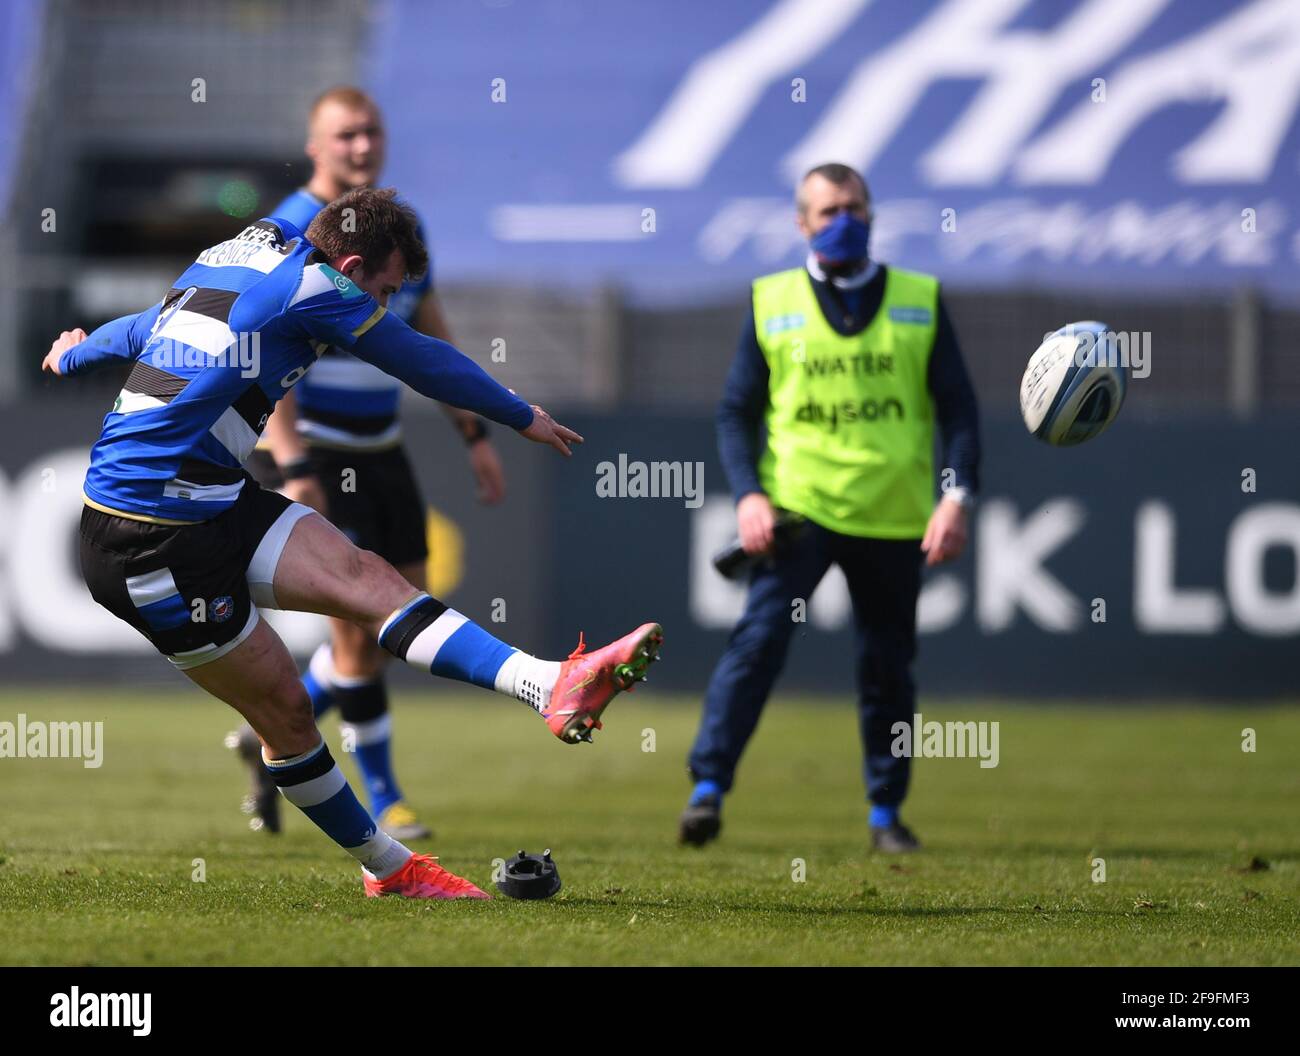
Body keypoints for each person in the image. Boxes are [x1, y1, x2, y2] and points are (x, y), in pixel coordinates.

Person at [45, 187, 662, 899]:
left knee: (367, 579)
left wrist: (77, 352)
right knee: (285, 713)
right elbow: (418, 357)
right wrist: (519, 413)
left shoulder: (240, 252)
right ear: (355, 264)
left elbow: (149, 324)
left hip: (211, 496)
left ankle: (548, 684)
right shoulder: (321, 287)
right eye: (387, 289)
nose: (385, 305)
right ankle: (390, 868)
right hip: (143, 536)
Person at [679, 163, 979, 853]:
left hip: (894, 513)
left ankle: (885, 814)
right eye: (827, 210)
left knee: (887, 668)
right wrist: (749, 494)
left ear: (871, 213)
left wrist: (956, 495)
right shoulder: (772, 300)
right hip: (798, 511)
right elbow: (735, 412)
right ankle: (707, 790)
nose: (843, 219)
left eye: (854, 206)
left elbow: (959, 410)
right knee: (757, 647)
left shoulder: (920, 298)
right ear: (802, 223)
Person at [234, 85, 505, 841]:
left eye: (372, 132)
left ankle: (276, 739)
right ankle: (385, 798)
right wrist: (291, 462)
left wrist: (473, 435)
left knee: (404, 613)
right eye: (346, 135)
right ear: (315, 145)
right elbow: (261, 343)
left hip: (383, 448)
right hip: (317, 447)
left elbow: (430, 330)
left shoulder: (394, 228)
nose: (362, 146)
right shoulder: (288, 229)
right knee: (366, 625)